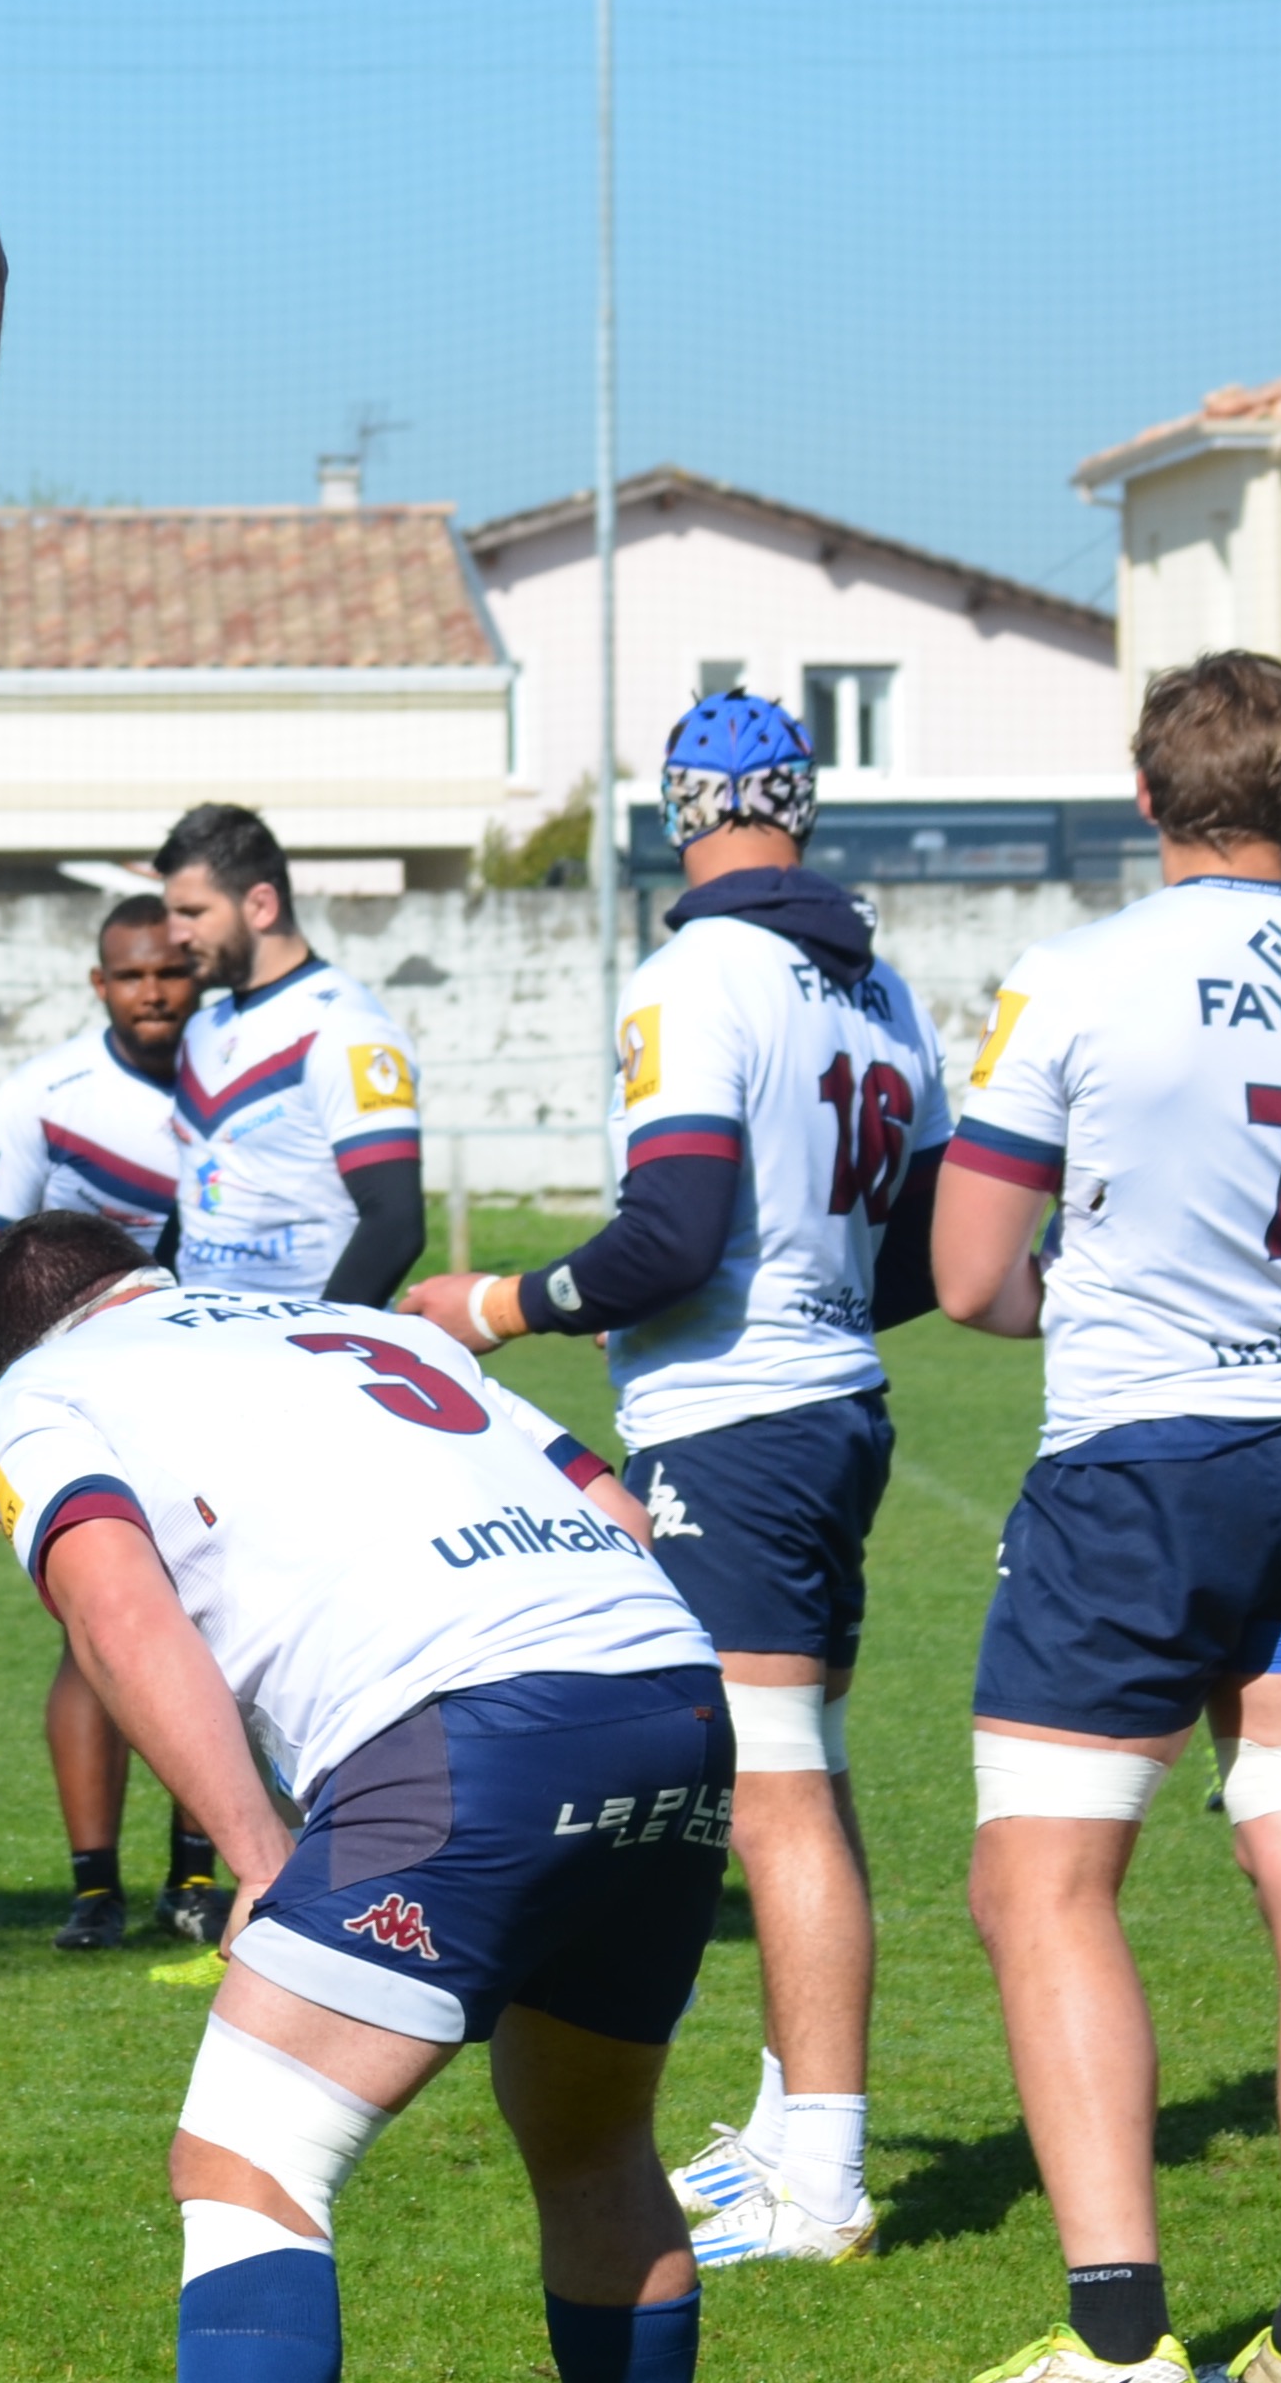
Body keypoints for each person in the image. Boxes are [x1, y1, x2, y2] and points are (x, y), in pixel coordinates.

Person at [928, 652, 1281, 2383]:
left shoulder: (1073, 977)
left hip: (1137, 1470)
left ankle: (1114, 2337)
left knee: (1041, 1879)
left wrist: (1087, 1301)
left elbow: (964, 1275)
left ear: (1147, 790)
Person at [0, 1207, 721, 2383]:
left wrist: (257, 1860)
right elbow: (617, 1512)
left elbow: (112, 1612)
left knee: (247, 2165)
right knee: (594, 2151)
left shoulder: (38, 1390)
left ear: (14, 1343)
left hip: (470, 1725)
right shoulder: (366, 1326)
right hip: (666, 1693)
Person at [404, 689, 939, 2271]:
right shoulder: (879, 982)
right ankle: (791, 2124)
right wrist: (813, 1303)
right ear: (806, 806)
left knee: (771, 1795)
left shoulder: (697, 970)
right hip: (833, 1403)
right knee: (805, 1773)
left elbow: (670, 1236)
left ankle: (823, 2176)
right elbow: (916, 1251)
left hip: (742, 1426)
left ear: (680, 812)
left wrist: (493, 1307)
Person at [0, 893, 220, 1947]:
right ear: (99, 985)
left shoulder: (239, 1075)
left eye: (169, 974)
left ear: (197, 978)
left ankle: (197, 1877)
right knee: (94, 1630)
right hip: (85, 1395)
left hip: (218, 1385)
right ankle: (93, 1888)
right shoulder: (42, 1095)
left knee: (219, 1617)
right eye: (131, 976)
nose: (152, 993)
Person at [157, 803, 428, 1311]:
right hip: (201, 1348)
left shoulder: (347, 1026)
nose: (175, 935)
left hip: (299, 1354)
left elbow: (395, 1222)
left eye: (192, 913)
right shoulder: (200, 1028)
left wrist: (314, 1340)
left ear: (261, 905)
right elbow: (194, 1196)